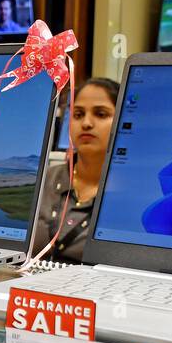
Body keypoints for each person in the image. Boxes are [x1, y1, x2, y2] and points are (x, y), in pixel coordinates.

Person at [33, 77, 120, 263]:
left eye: (101, 114)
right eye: (78, 114)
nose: (86, 123)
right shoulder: (46, 179)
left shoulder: (129, 193)